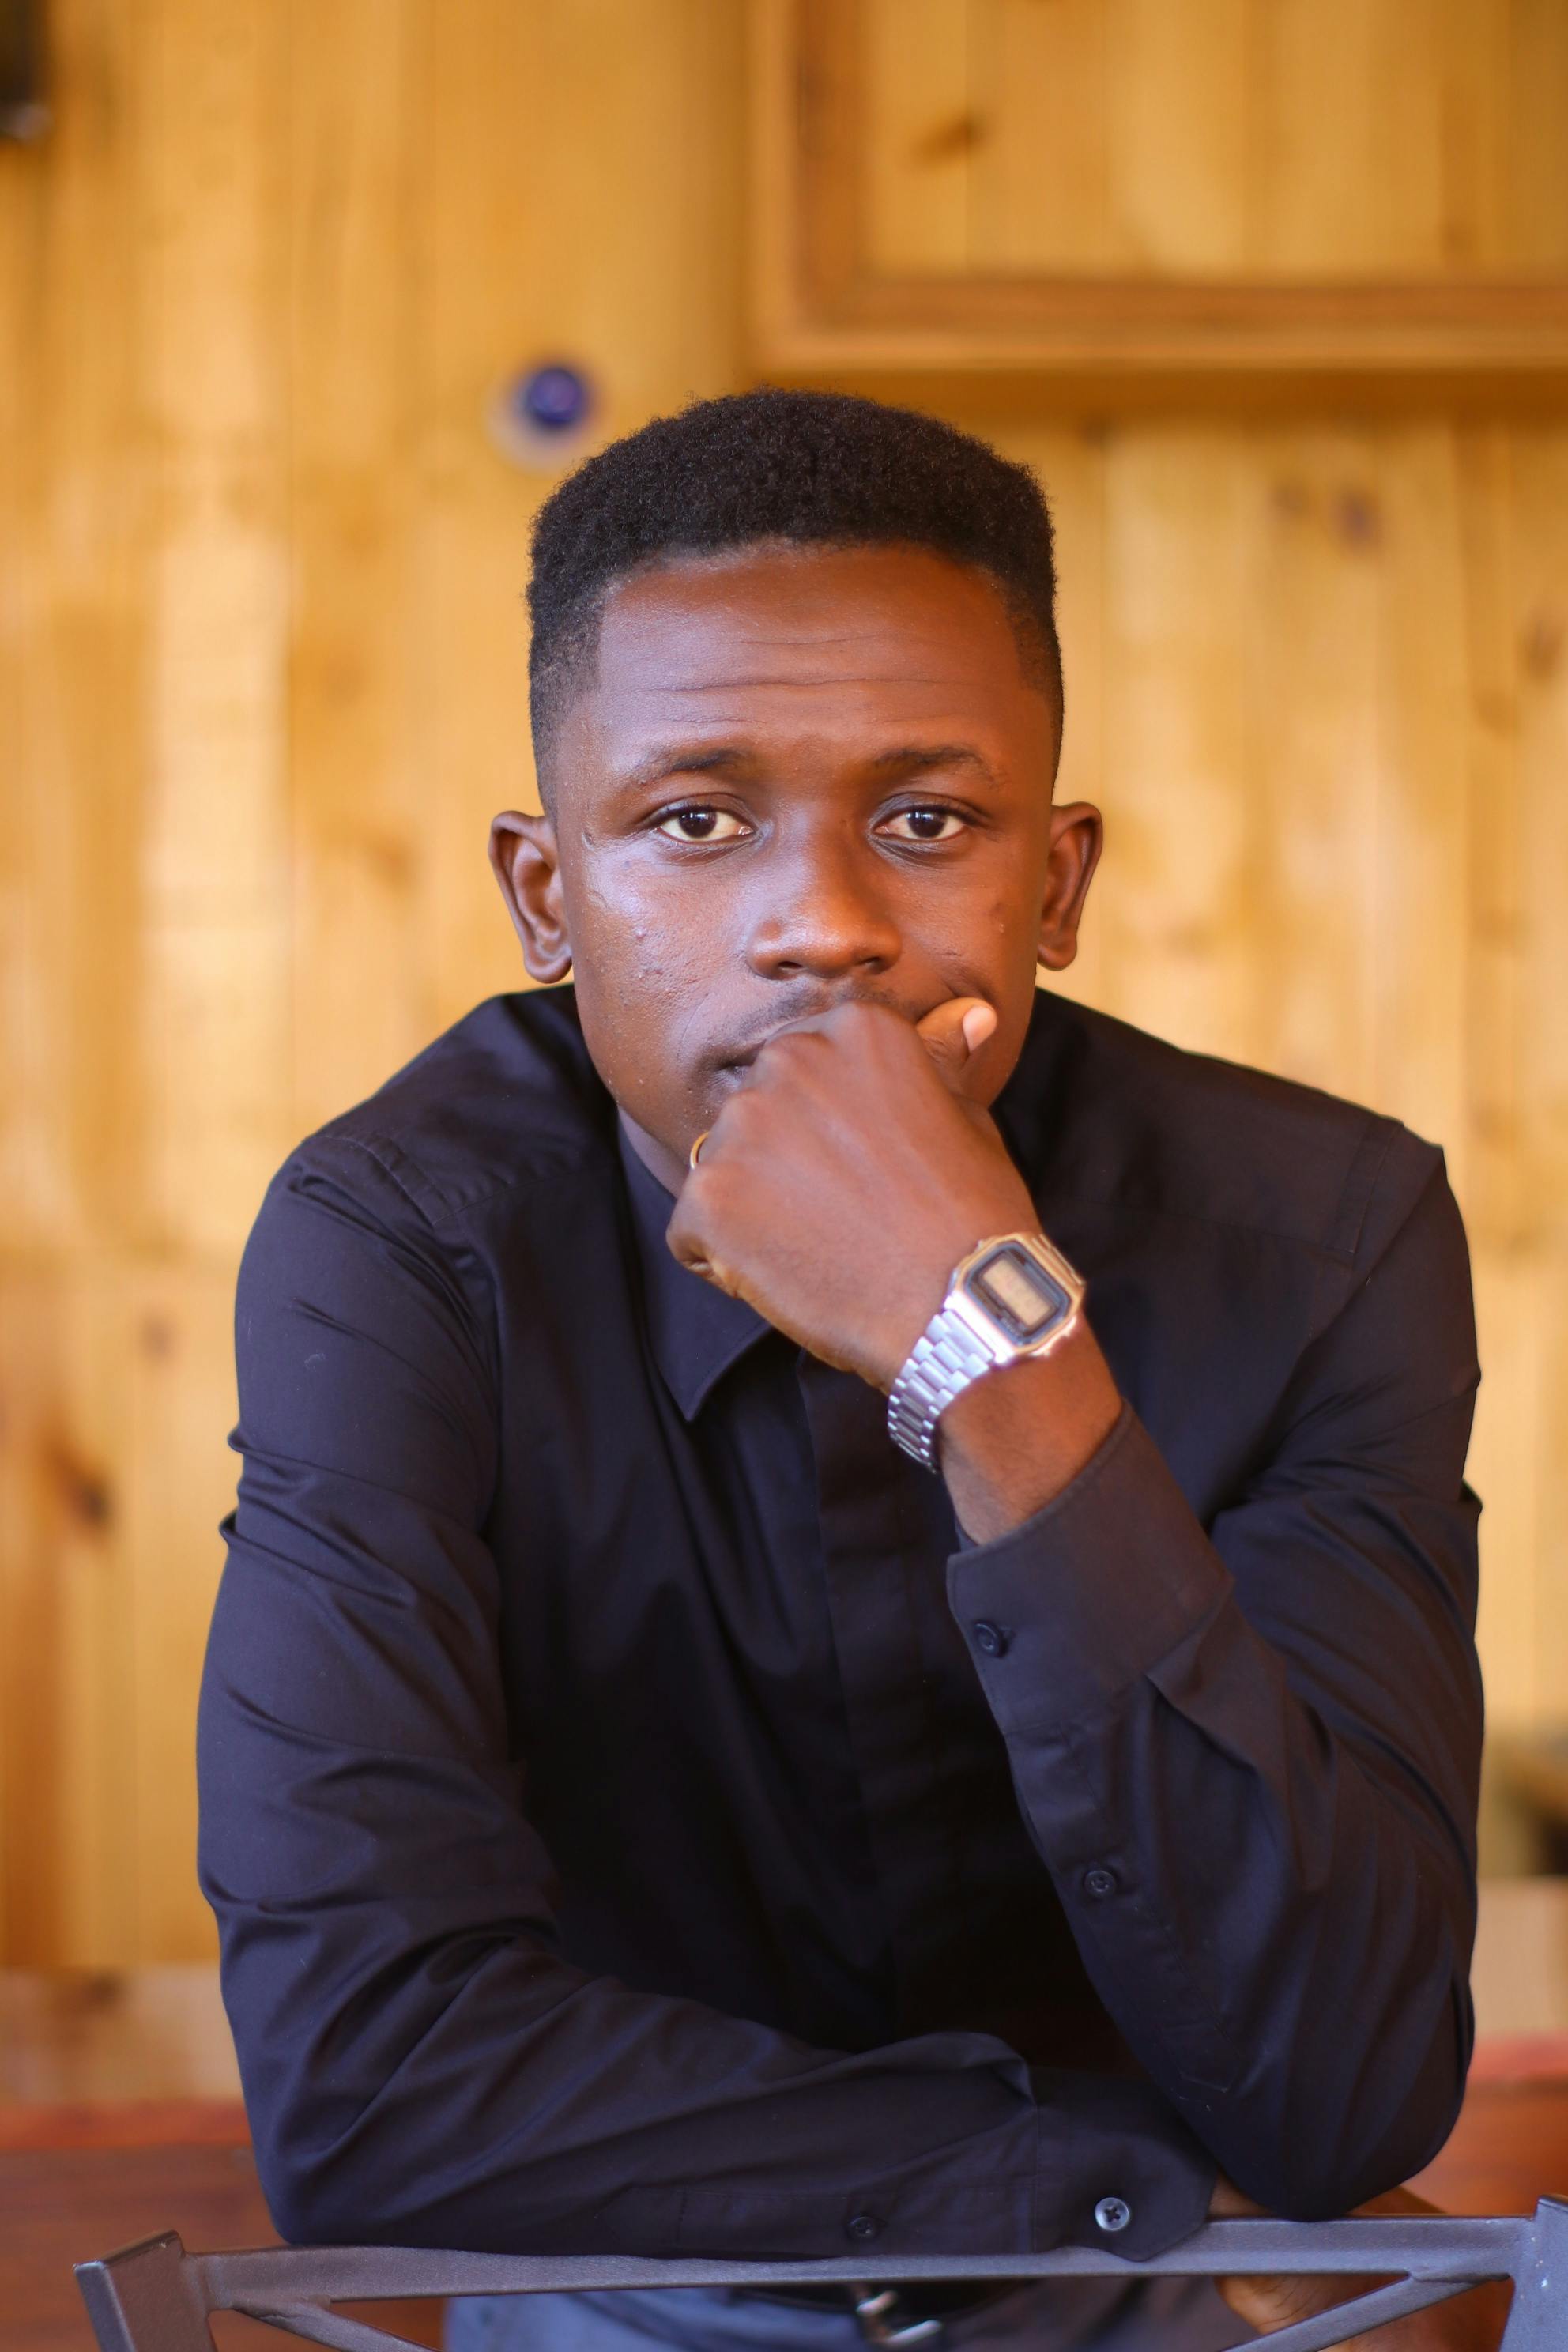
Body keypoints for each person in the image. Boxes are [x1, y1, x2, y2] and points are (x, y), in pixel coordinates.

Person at [198, 391, 1496, 2352]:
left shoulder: (1320, 1233)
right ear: (549, 896)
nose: (820, 925)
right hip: (641, 2244)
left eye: (926, 821)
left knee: (1387, 2289)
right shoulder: (401, 1240)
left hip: (1161, 2282)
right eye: (693, 821)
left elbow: (1337, 2084)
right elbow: (371, 2084)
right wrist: (1076, 2183)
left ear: (1049, 885)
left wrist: (982, 1342)